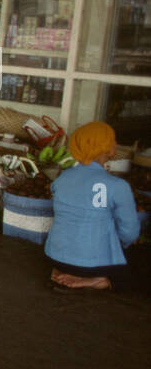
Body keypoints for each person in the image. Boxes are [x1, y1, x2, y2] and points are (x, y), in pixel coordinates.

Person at [45, 121, 141, 293]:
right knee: (142, 262)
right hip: (92, 265)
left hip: (55, 258)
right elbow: (130, 232)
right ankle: (96, 280)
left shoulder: (62, 178)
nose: (116, 144)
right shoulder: (118, 185)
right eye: (112, 140)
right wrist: (123, 245)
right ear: (103, 146)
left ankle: (67, 272)